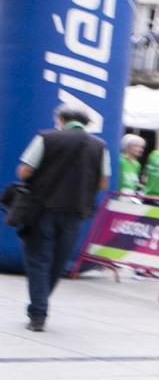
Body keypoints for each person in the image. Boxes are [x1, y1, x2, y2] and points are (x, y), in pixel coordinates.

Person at [13, 104, 110, 332]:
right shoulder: (99, 146)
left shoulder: (46, 137)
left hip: (42, 208)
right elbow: (103, 182)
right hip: (76, 211)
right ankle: (41, 303)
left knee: (39, 259)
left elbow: (24, 171)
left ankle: (38, 312)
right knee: (58, 261)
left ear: (62, 120)